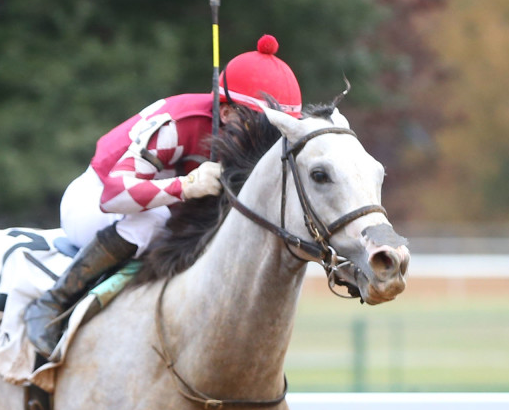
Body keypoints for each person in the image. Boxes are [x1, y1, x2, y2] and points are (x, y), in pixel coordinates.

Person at [24, 34, 303, 358]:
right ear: (226, 113)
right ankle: (52, 303)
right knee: (158, 220)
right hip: (94, 201)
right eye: (262, 123)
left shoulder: (241, 133)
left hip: (151, 210)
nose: (269, 137)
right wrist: (186, 186)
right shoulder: (180, 123)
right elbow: (113, 195)